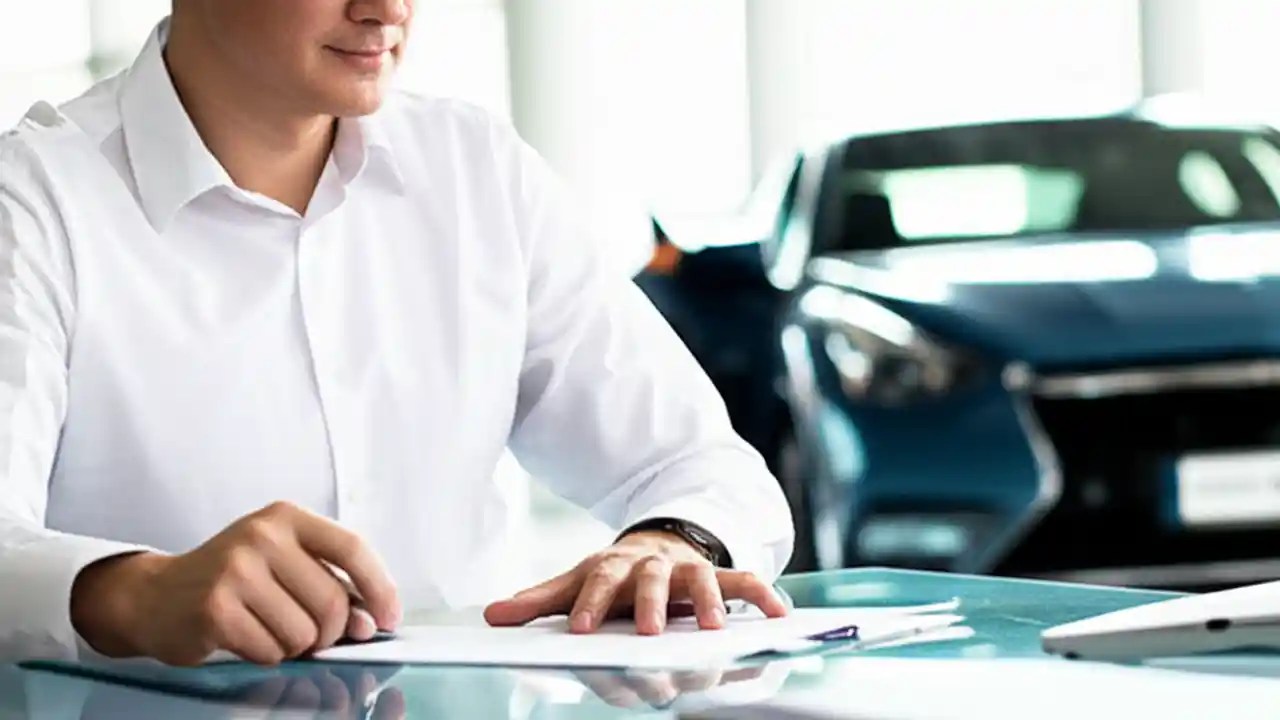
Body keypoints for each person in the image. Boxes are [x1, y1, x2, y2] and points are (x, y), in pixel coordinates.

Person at [0, 0, 794, 667]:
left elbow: (702, 464)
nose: (389, 9)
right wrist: (132, 591)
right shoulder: (34, 206)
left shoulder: (475, 172)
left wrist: (670, 541)